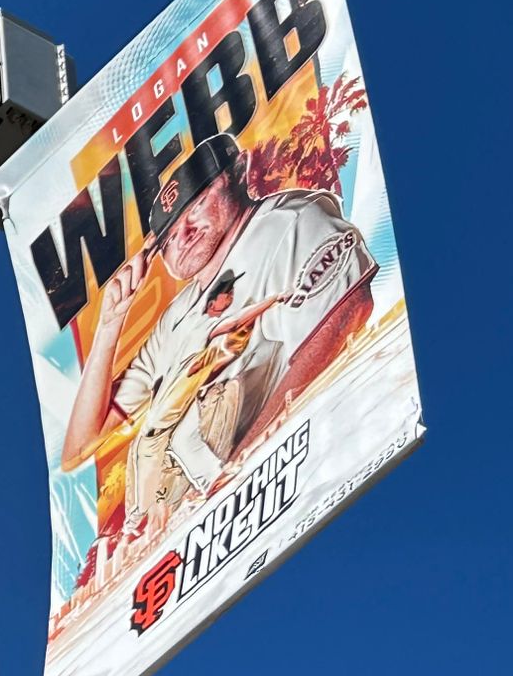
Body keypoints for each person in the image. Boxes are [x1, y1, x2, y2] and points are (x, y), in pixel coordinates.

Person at [60, 132, 378, 533]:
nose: (185, 233)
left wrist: (239, 474)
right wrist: (109, 327)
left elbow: (345, 316)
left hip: (257, 496)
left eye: (196, 204)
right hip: (174, 529)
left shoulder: (292, 222)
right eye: (169, 235)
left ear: (237, 172)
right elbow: (80, 448)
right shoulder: (174, 319)